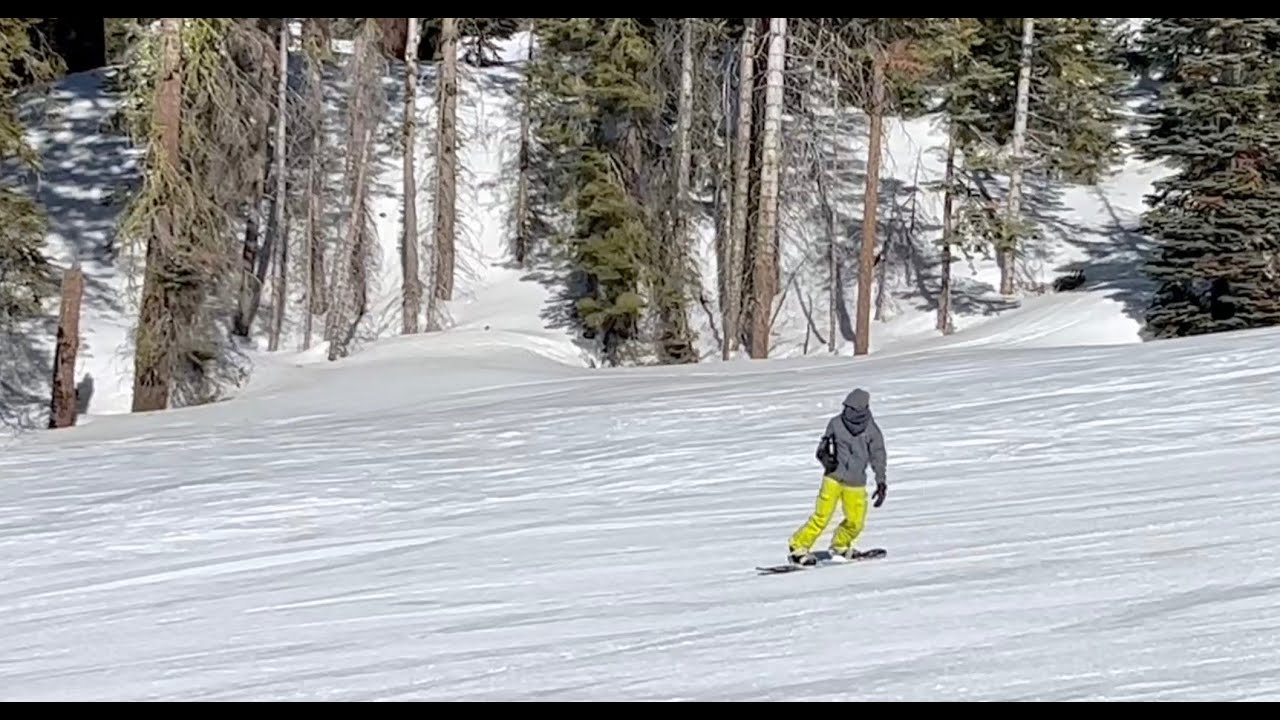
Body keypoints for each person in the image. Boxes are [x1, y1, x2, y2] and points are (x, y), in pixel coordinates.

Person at [786, 387, 887, 565]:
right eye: (846, 407)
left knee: (856, 520)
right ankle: (798, 546)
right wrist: (825, 459)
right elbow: (823, 446)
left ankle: (840, 545)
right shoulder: (836, 423)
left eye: (852, 408)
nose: (848, 412)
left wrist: (881, 482)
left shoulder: (871, 430)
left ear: (863, 409)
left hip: (855, 483)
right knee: (821, 516)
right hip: (832, 478)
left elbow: (878, 455)